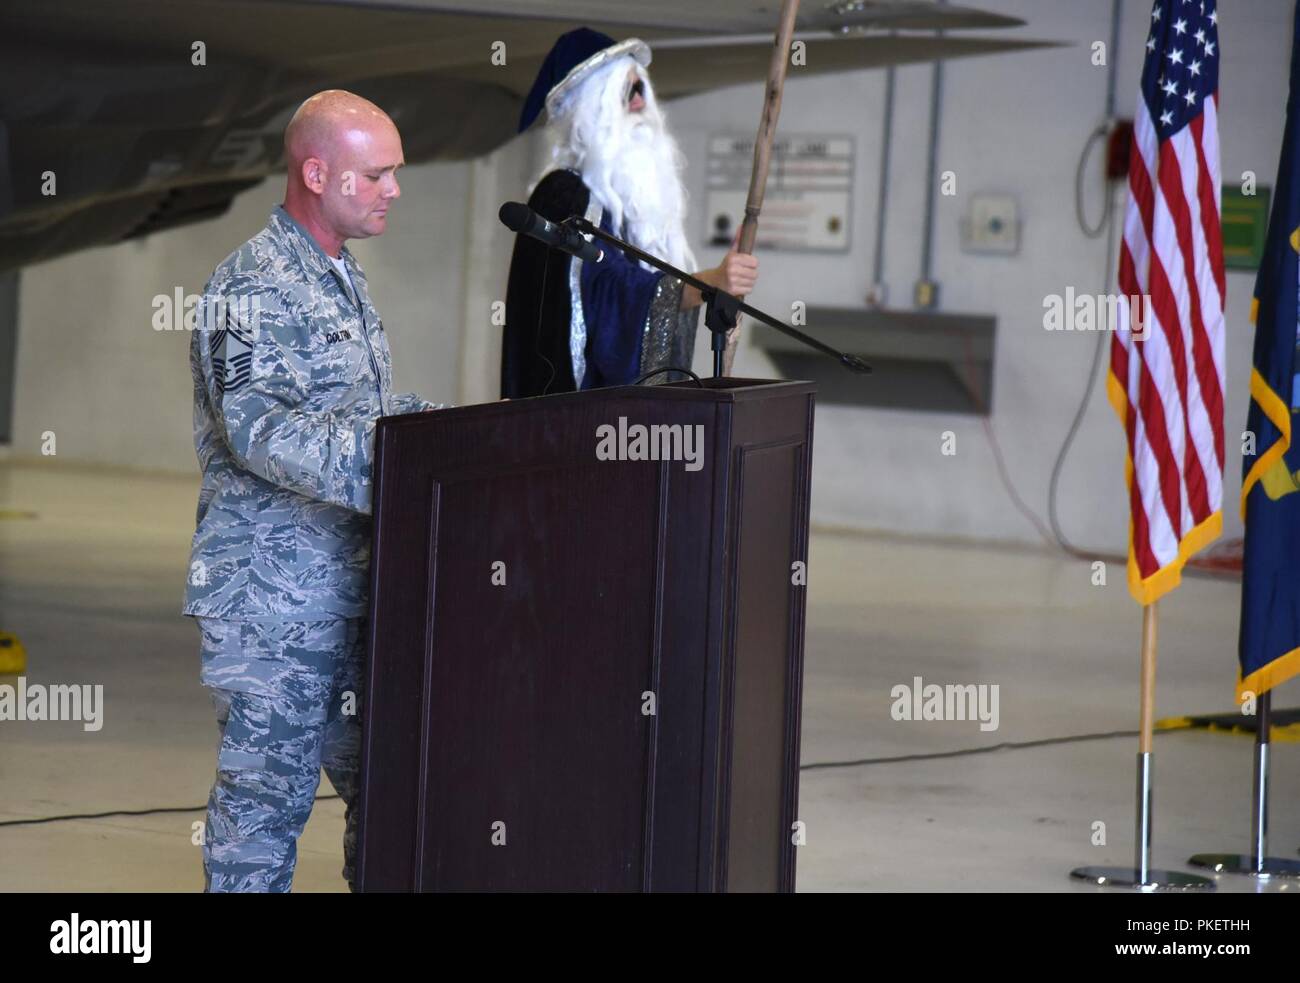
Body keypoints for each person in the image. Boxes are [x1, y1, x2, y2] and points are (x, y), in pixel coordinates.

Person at [183, 89, 443, 892]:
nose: (394, 189)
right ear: (318, 172)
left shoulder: (338, 274)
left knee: (397, 793)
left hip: (353, 588)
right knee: (263, 812)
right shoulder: (253, 284)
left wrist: (441, 431)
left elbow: (352, 414)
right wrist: (403, 459)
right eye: (378, 174)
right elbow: (262, 432)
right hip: (273, 602)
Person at [502, 28, 759, 398]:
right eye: (627, 91)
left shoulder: (624, 203)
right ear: (592, 109)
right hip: (574, 422)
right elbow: (609, 296)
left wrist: (707, 286)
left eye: (643, 90)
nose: (641, 103)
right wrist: (707, 283)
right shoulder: (564, 196)